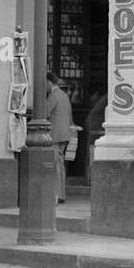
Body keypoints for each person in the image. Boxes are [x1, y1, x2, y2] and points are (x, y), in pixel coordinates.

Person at [46, 72, 73, 204]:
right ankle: (61, 194)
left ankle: (55, 194)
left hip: (55, 135)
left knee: (55, 164)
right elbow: (69, 115)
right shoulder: (64, 96)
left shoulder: (53, 95)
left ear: (49, 82)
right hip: (65, 134)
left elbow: (45, 112)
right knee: (61, 164)